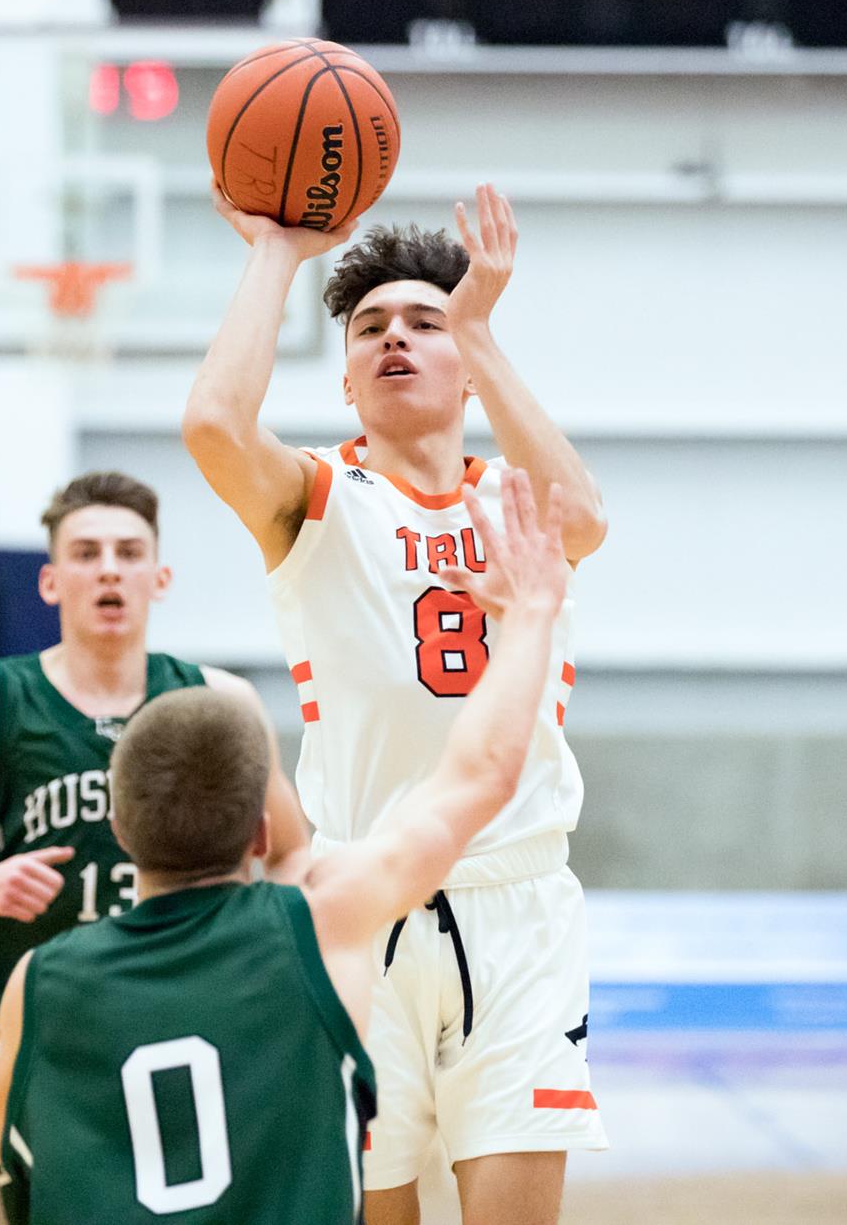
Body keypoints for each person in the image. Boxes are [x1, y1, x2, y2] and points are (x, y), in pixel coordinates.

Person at [0, 468, 570, 1225]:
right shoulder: (322, 926)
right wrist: (533, 614)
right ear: (261, 829)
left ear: (120, 831)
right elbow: (480, 776)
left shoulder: (40, 982)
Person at [183, 185, 608, 1224]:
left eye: (423, 323)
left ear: (464, 368)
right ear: (344, 376)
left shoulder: (513, 506)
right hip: (360, 903)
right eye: (370, 327)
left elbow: (585, 519)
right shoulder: (316, 497)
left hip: (517, 909)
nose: (394, 339)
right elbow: (210, 423)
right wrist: (276, 255)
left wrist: (479, 326)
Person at [0, 469, 310, 1052]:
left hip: (185, 1015)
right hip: (39, 1023)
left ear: (159, 577)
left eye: (129, 553)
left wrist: (259, 940)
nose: (109, 569)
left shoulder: (219, 702)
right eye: (86, 553)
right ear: (50, 582)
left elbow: (294, 854)